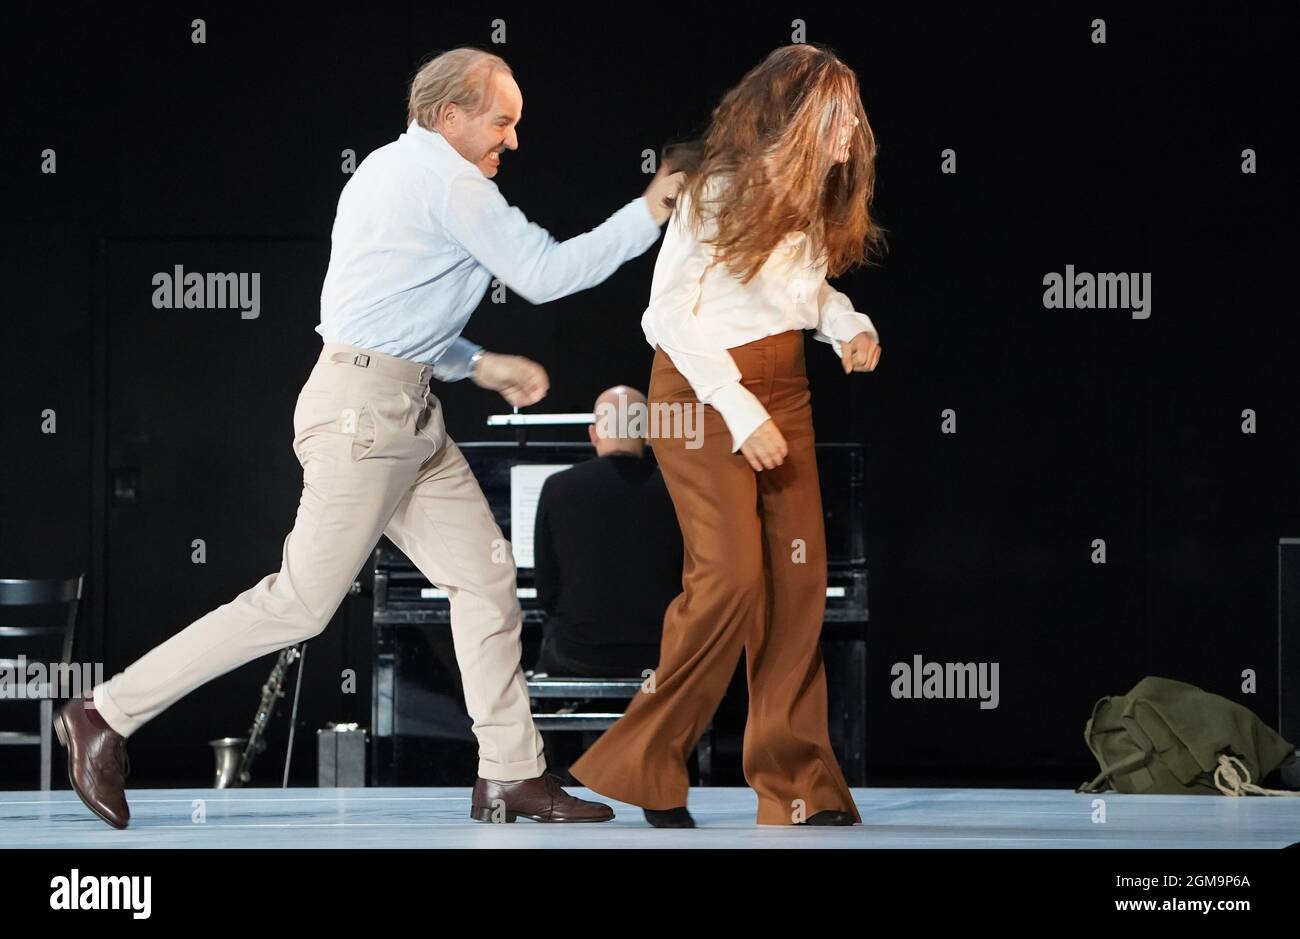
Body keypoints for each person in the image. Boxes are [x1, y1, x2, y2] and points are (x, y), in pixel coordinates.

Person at [53, 46, 684, 829]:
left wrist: (478, 362)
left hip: (401, 410)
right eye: (502, 121)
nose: (513, 140)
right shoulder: (448, 181)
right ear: (449, 116)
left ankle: (510, 774)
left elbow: (381, 313)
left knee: (485, 582)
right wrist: (652, 209)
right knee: (299, 603)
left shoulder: (386, 172)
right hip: (367, 418)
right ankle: (105, 711)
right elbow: (548, 273)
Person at [569, 43, 886, 827]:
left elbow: (798, 295)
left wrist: (847, 323)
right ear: (791, 114)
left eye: (852, 111)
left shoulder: (816, 190)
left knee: (795, 589)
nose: (851, 126)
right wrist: (742, 413)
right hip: (700, 391)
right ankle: (646, 762)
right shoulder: (716, 188)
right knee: (733, 579)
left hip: (786, 387)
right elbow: (667, 315)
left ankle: (796, 785)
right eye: (835, 111)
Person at [532, 385, 684, 678]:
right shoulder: (679, 489)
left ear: (593, 434)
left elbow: (546, 592)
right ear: (649, 432)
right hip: (663, 653)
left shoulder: (558, 486)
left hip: (579, 654)